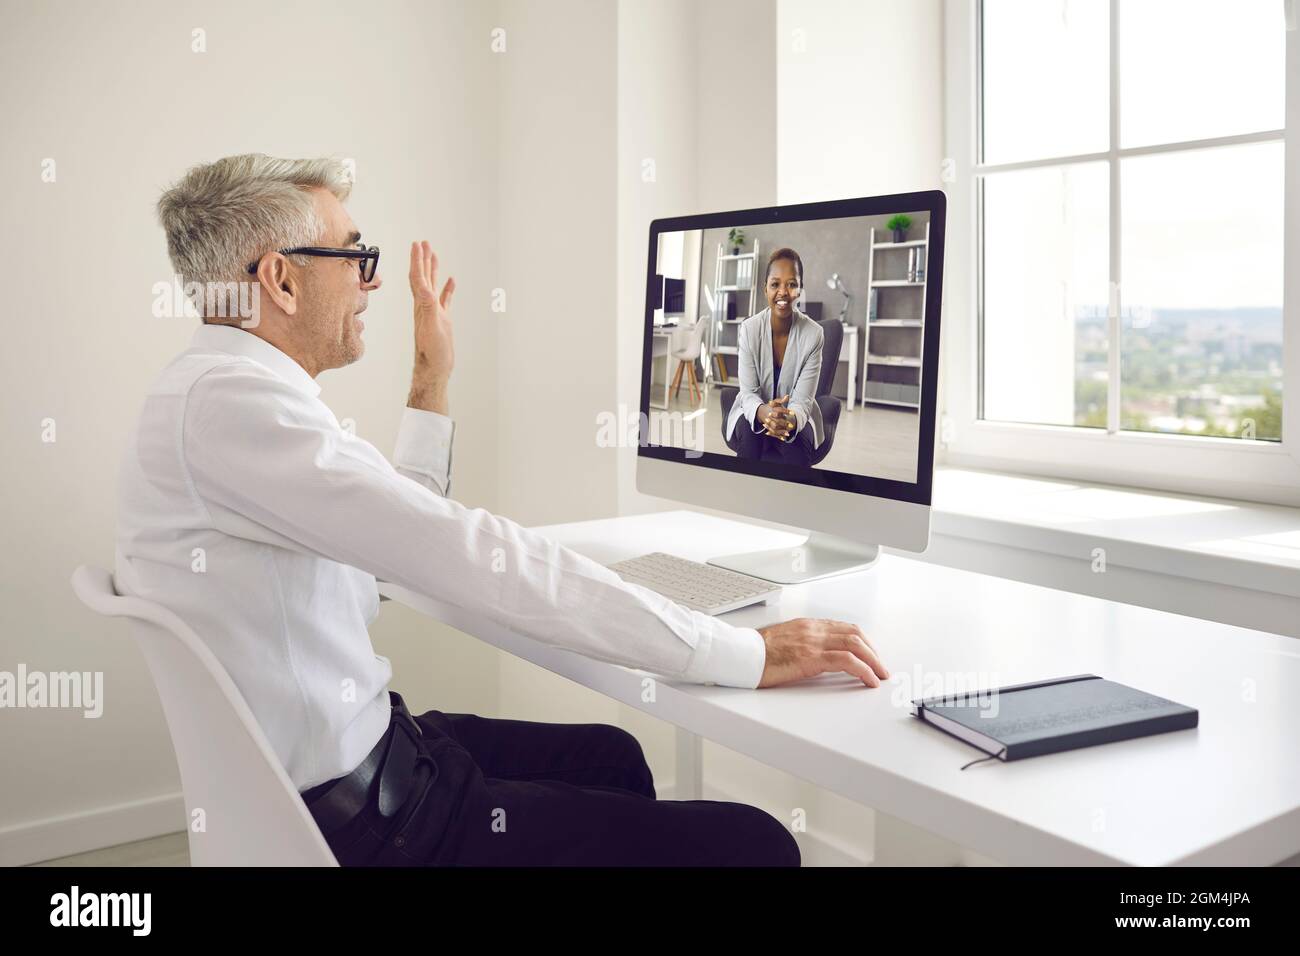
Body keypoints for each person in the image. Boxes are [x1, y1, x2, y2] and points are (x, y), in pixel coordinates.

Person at [116, 154, 889, 866]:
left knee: (613, 756)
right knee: (755, 846)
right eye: (354, 255)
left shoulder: (227, 396)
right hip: (377, 826)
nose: (370, 280)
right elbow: (461, 551)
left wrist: (431, 372)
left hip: (367, 763)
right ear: (281, 280)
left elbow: (389, 545)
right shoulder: (239, 411)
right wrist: (745, 654)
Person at [724, 247, 825, 467]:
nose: (783, 292)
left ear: (800, 290)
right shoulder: (749, 329)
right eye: (775, 284)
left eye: (792, 284)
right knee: (749, 441)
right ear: (765, 289)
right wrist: (765, 413)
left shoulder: (814, 334)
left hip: (795, 415)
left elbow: (803, 401)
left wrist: (788, 420)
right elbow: (749, 393)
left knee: (797, 452)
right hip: (754, 408)